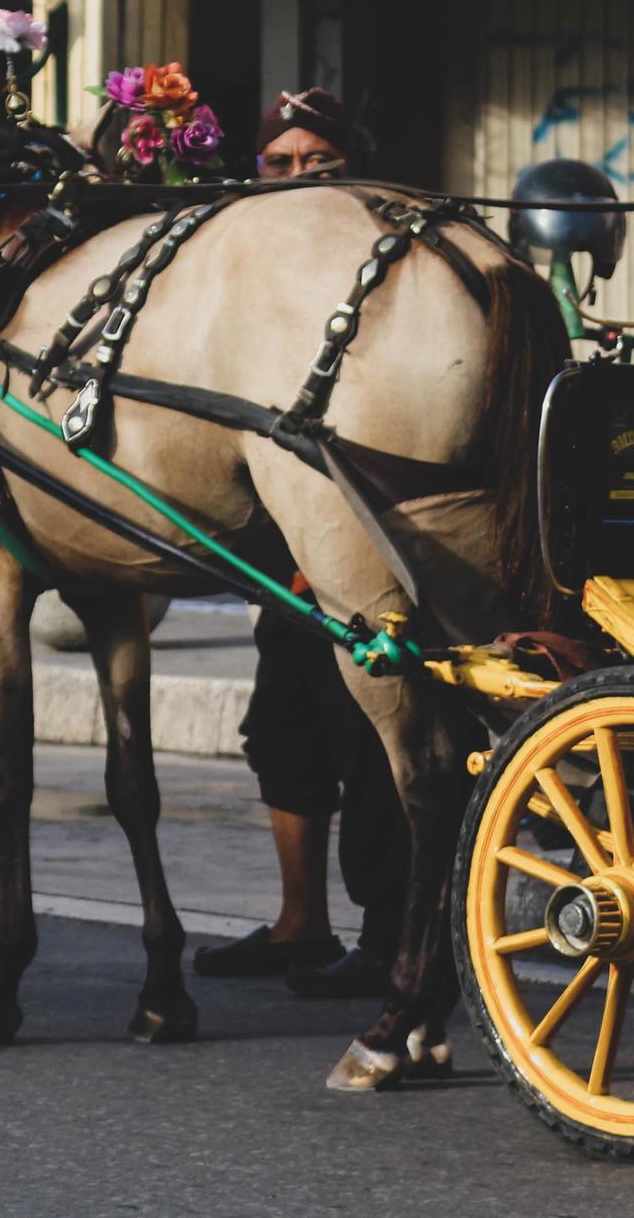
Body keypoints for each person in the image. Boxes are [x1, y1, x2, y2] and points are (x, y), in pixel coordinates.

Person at [194, 90, 404, 1000]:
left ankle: (394, 933)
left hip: (365, 541)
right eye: (278, 165)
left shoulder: (384, 257)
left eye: (315, 164)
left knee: (374, 738)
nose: (294, 181)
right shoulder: (255, 266)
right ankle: (299, 921)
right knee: (282, 730)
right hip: (286, 544)